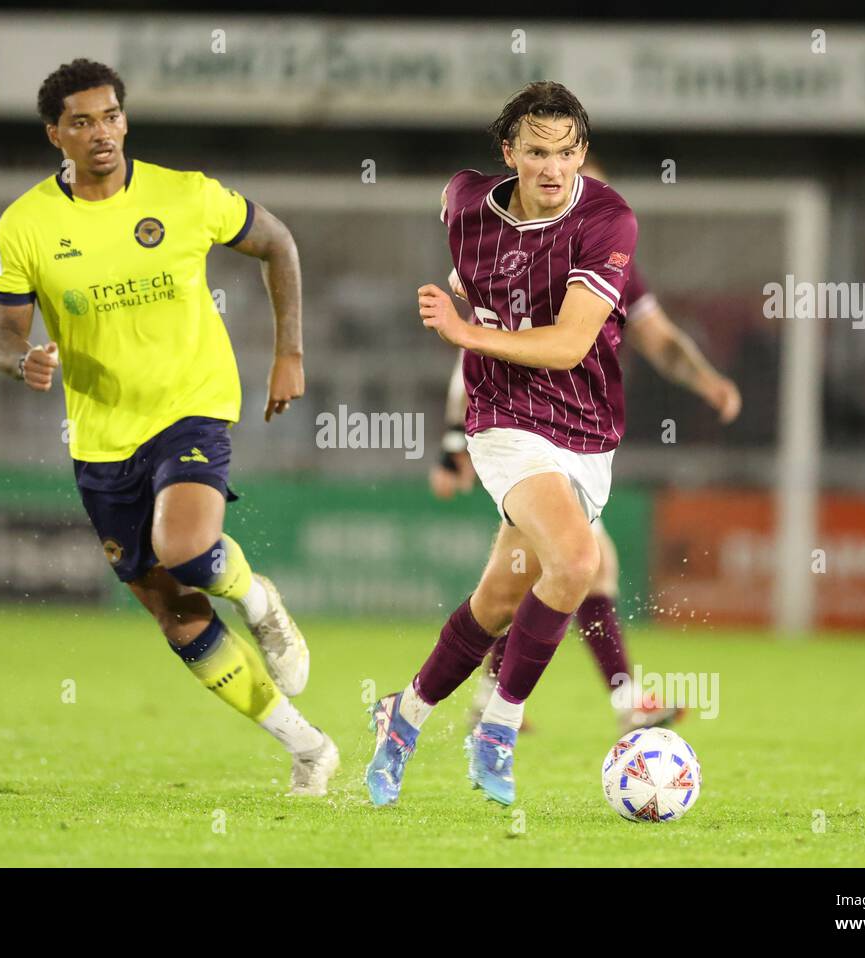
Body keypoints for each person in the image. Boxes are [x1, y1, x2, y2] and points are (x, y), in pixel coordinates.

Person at [0, 58, 338, 796]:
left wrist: (290, 352)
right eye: (81, 122)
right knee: (175, 614)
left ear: (124, 118)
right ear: (56, 134)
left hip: (192, 405)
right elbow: (3, 333)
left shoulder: (185, 195)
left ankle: (258, 601)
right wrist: (24, 362)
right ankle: (305, 746)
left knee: (183, 547)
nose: (101, 133)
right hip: (99, 439)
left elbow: (279, 243)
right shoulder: (25, 225)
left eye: (110, 115)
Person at [366, 80, 635, 807]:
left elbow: (573, 343)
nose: (555, 170)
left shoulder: (608, 218)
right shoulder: (462, 201)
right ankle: (501, 725)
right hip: (506, 419)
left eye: (569, 153)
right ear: (508, 152)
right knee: (578, 560)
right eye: (539, 152)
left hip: (587, 430)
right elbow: (477, 269)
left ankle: (405, 716)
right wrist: (469, 321)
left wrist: (463, 328)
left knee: (497, 601)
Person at [432, 157, 742, 736]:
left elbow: (660, 339)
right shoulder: (507, 253)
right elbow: (472, 347)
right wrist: (453, 442)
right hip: (517, 431)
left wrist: (706, 381)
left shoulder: (611, 264)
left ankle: (463, 702)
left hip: (575, 438)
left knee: (523, 580)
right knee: (584, 565)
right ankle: (620, 704)